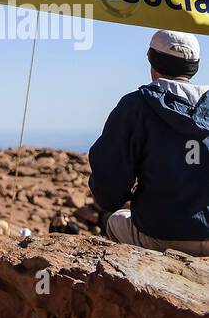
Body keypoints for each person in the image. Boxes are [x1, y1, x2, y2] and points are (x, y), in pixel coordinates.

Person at [89, 30, 209, 255]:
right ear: (195, 66)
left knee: (115, 220)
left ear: (152, 61)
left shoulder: (135, 106)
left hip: (161, 234)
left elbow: (109, 188)